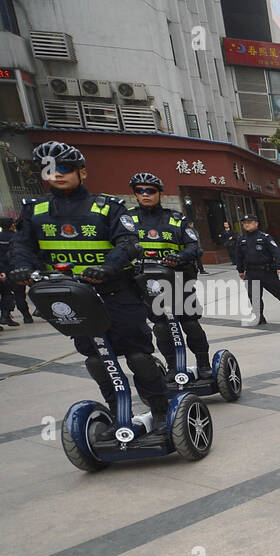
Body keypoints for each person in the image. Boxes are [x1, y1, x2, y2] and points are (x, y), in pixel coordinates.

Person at [10, 141, 169, 427]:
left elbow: (129, 243)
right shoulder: (35, 211)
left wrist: (108, 267)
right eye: (48, 170)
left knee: (138, 355)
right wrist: (22, 268)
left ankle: (160, 410)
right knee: (96, 360)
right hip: (72, 298)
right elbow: (22, 246)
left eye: (63, 168)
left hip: (115, 292)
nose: (56, 174)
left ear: (82, 172)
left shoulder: (107, 207)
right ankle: (119, 414)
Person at [126, 171, 212, 377]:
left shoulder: (175, 219)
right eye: (140, 191)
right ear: (135, 194)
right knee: (162, 328)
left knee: (190, 323)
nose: (146, 194)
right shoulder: (128, 220)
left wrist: (179, 256)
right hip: (147, 284)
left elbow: (194, 246)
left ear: (160, 194)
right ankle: (172, 366)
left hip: (178, 280)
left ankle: (203, 363)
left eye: (151, 191)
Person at [234, 212, 280, 325]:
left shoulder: (265, 237)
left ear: (256, 224)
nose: (246, 225)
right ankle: (260, 317)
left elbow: (276, 252)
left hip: (267, 272)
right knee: (254, 296)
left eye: (249, 222)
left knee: (278, 293)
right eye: (244, 223)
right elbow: (239, 256)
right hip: (251, 272)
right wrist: (240, 270)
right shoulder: (242, 239)